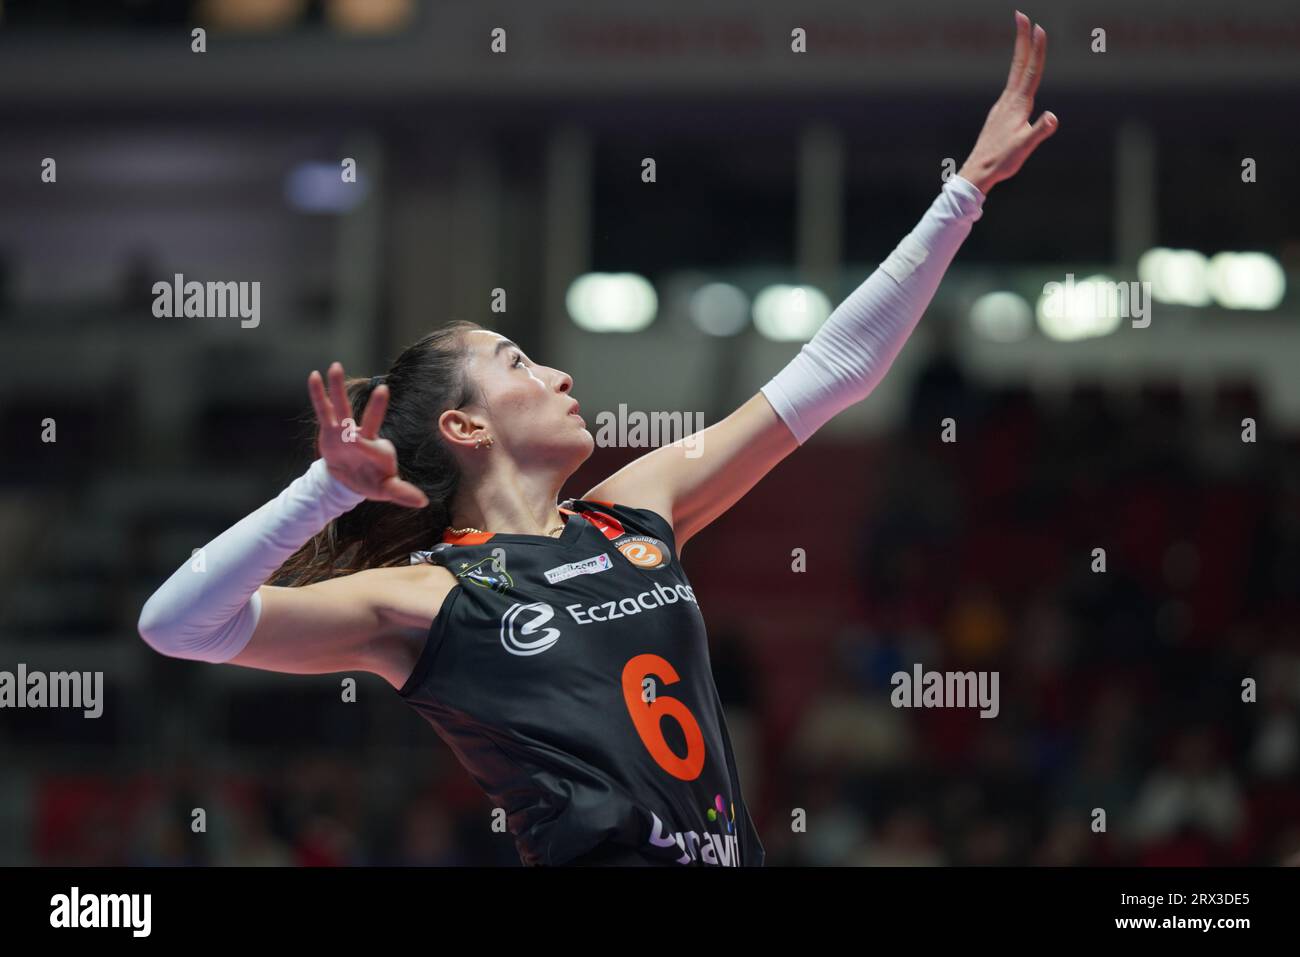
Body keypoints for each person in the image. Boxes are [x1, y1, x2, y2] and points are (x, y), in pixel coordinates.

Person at [137, 10, 1058, 867]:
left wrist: (964, 193)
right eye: (517, 363)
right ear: (465, 425)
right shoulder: (428, 597)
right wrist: (327, 492)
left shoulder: (632, 511)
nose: (560, 375)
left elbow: (829, 374)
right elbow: (178, 626)